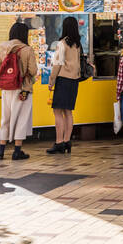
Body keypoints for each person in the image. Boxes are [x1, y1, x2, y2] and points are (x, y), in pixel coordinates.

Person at [0, 20, 38, 160]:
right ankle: (17, 150)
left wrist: (7, 78)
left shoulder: (3, 48)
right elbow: (33, 70)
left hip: (6, 89)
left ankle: (1, 150)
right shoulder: (27, 50)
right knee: (21, 118)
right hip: (22, 89)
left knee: (5, 117)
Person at [47, 16, 83, 154]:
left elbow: (57, 64)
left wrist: (51, 81)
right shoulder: (77, 44)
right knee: (68, 112)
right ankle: (67, 141)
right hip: (74, 81)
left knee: (57, 112)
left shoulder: (62, 43)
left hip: (63, 80)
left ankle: (59, 142)